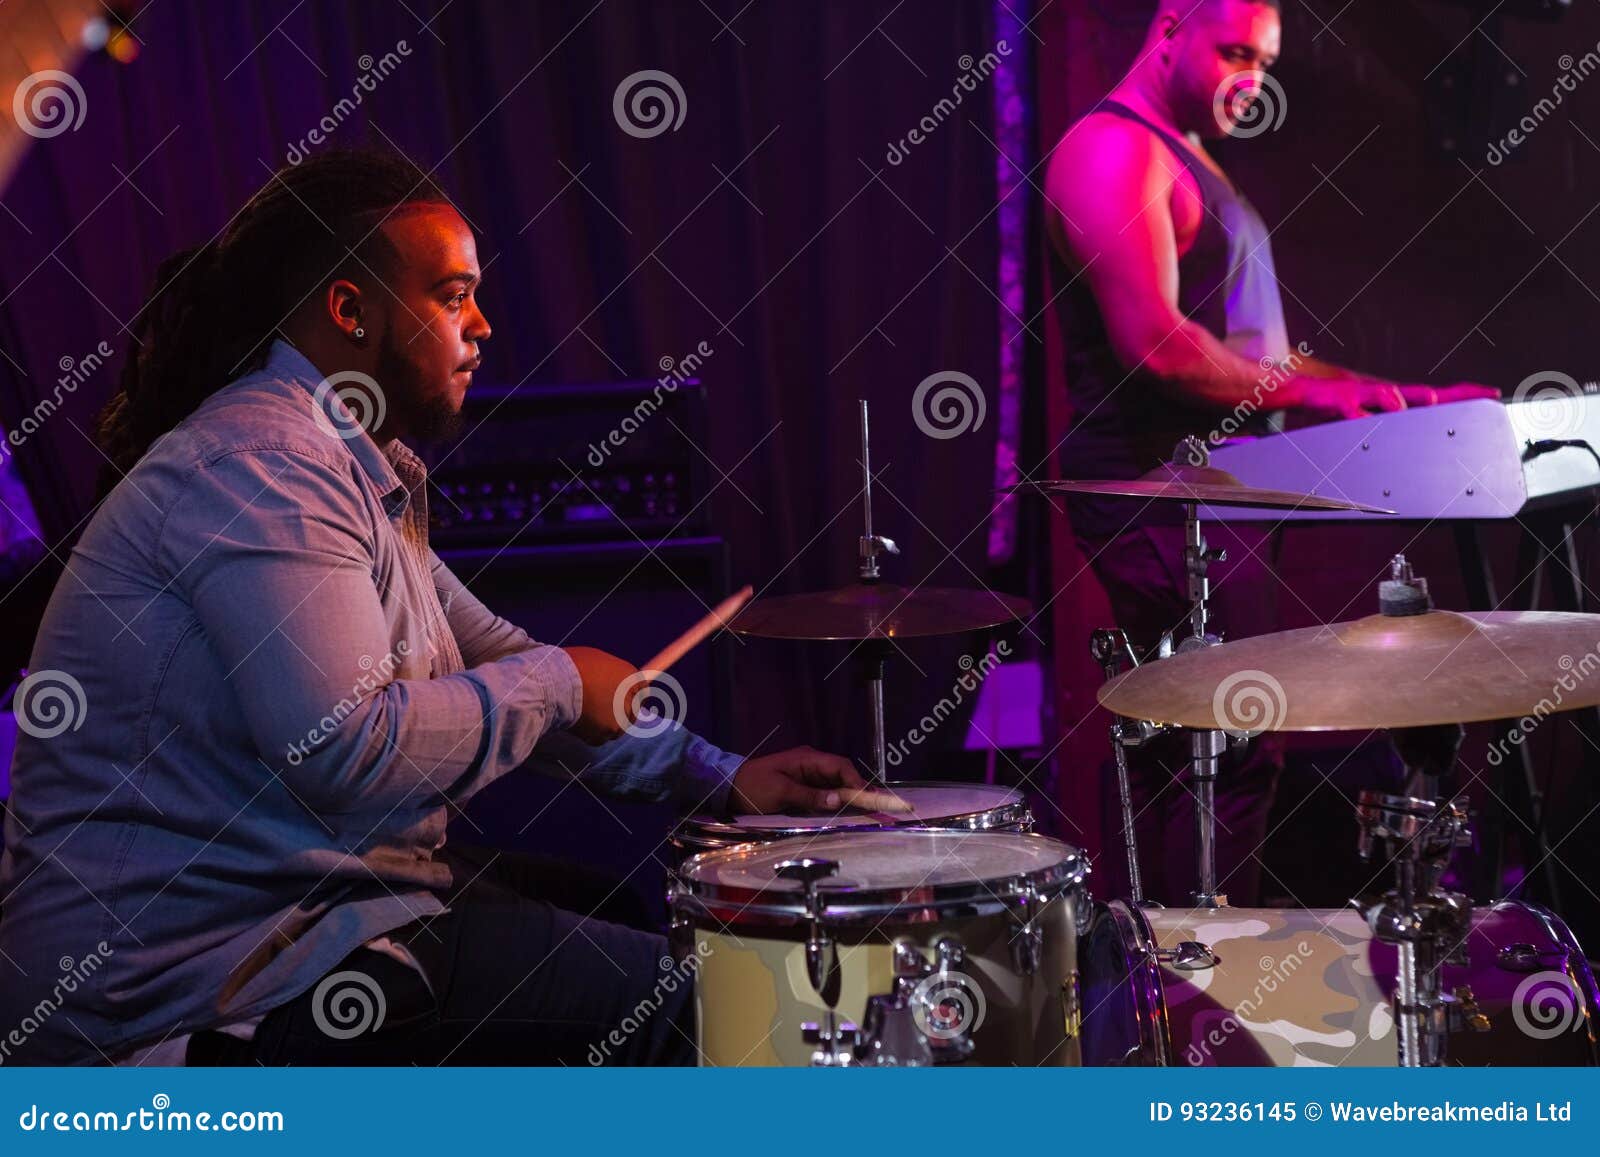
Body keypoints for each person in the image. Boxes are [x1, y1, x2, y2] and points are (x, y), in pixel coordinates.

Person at [0, 148, 868, 1066]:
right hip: (176, 988)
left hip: (295, 920)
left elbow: (501, 659)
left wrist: (724, 778)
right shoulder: (263, 466)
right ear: (351, 310)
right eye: (454, 297)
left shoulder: (351, 466)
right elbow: (344, 745)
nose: (483, 325)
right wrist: (560, 680)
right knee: (715, 1009)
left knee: (613, 906)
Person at [1042, 0, 1496, 905]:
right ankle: (1183, 968)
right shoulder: (1110, 150)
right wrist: (1321, 395)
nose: (1252, 80)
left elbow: (1258, 362)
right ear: (1172, 26)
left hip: (1219, 491)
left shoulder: (1187, 154)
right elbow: (1159, 347)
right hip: (1154, 491)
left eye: (1266, 61)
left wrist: (1392, 395)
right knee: (1229, 743)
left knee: (1213, 745)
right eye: (1235, 52)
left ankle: (1174, 956)